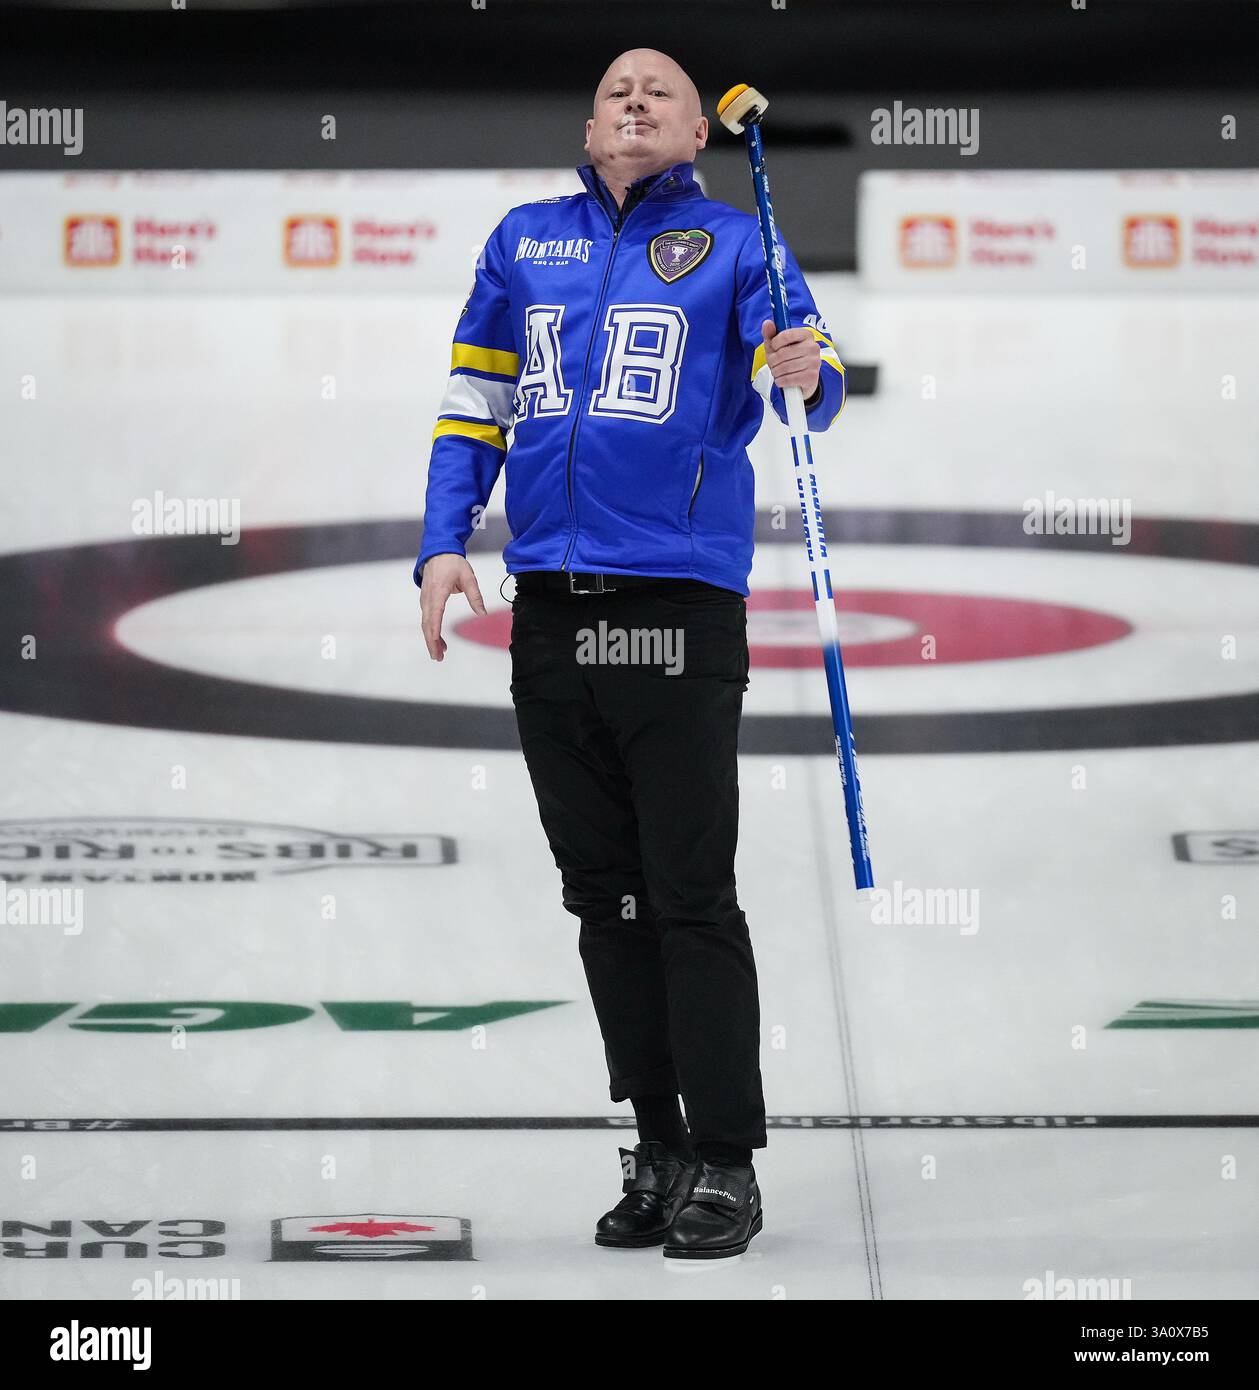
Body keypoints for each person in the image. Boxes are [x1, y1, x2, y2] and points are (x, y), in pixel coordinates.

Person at [414, 48, 845, 1259]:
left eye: (660, 92)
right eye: (617, 92)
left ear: (698, 131)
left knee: (689, 890)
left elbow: (809, 382)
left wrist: (809, 371)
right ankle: (655, 1143)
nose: (637, 103)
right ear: (588, 124)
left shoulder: (735, 242)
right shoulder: (523, 240)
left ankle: (725, 1159)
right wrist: (445, 540)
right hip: (548, 605)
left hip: (674, 607)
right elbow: (474, 398)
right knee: (601, 892)